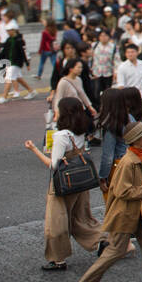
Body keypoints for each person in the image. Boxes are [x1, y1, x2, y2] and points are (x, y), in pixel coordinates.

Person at [74, 121, 142, 282]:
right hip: (125, 214)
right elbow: (121, 192)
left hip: (139, 212)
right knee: (116, 250)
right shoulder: (128, 162)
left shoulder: (141, 156)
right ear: (136, 139)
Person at [23, 97, 104, 271]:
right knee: (81, 218)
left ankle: (58, 259)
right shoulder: (81, 130)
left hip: (63, 184)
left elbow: (53, 165)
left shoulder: (61, 135)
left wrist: (33, 149)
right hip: (80, 182)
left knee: (56, 222)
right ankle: (104, 242)